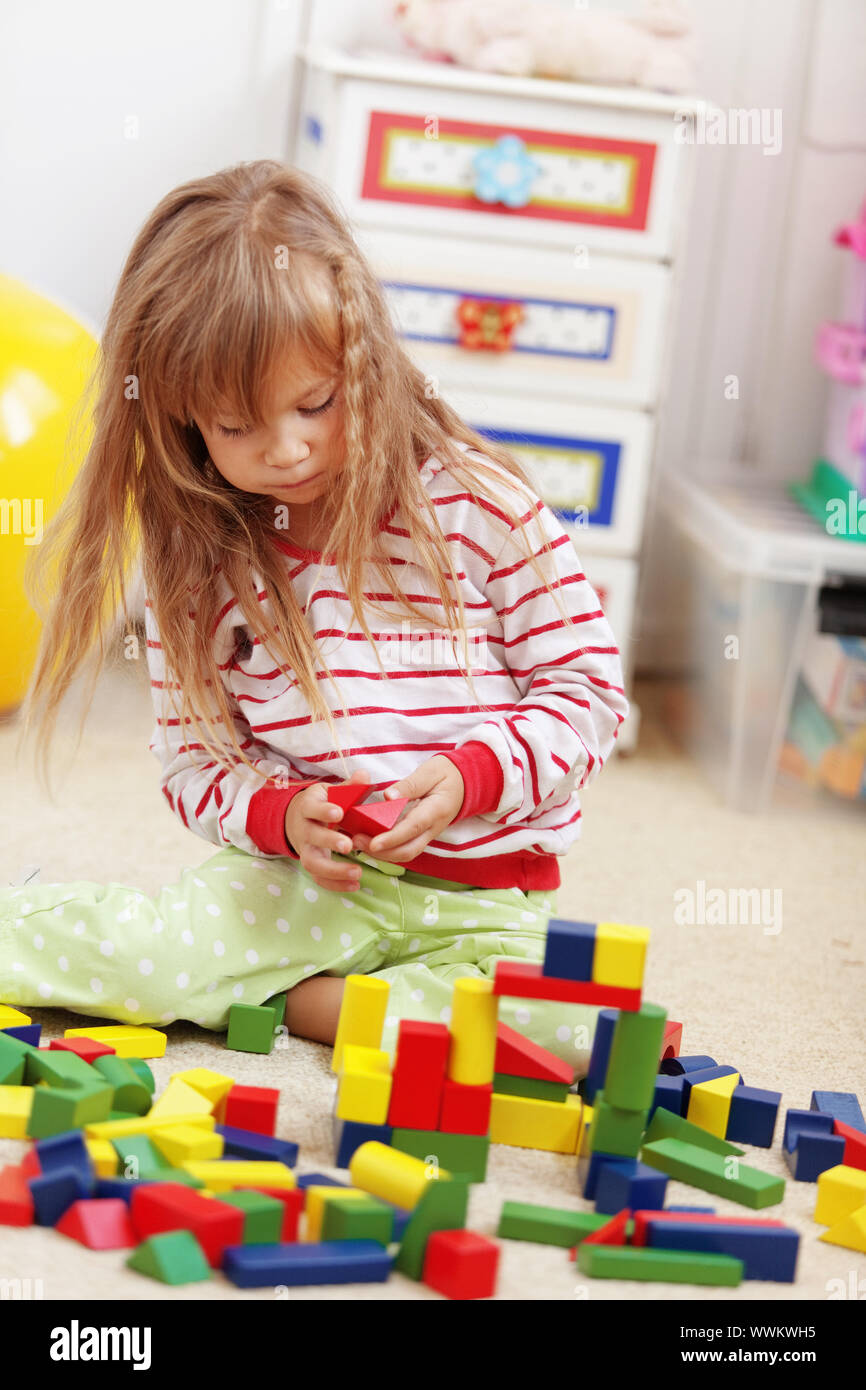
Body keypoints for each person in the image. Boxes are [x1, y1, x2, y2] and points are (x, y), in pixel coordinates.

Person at [2, 160, 628, 1072]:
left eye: (315, 405)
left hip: (485, 899)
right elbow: (195, 761)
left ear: (361, 356)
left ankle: (306, 1003)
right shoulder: (200, 563)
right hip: (299, 886)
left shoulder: (483, 508)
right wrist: (281, 817)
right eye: (235, 426)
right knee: (156, 957)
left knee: (578, 1034)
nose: (286, 449)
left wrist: (475, 775)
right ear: (182, 422)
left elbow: (587, 693)